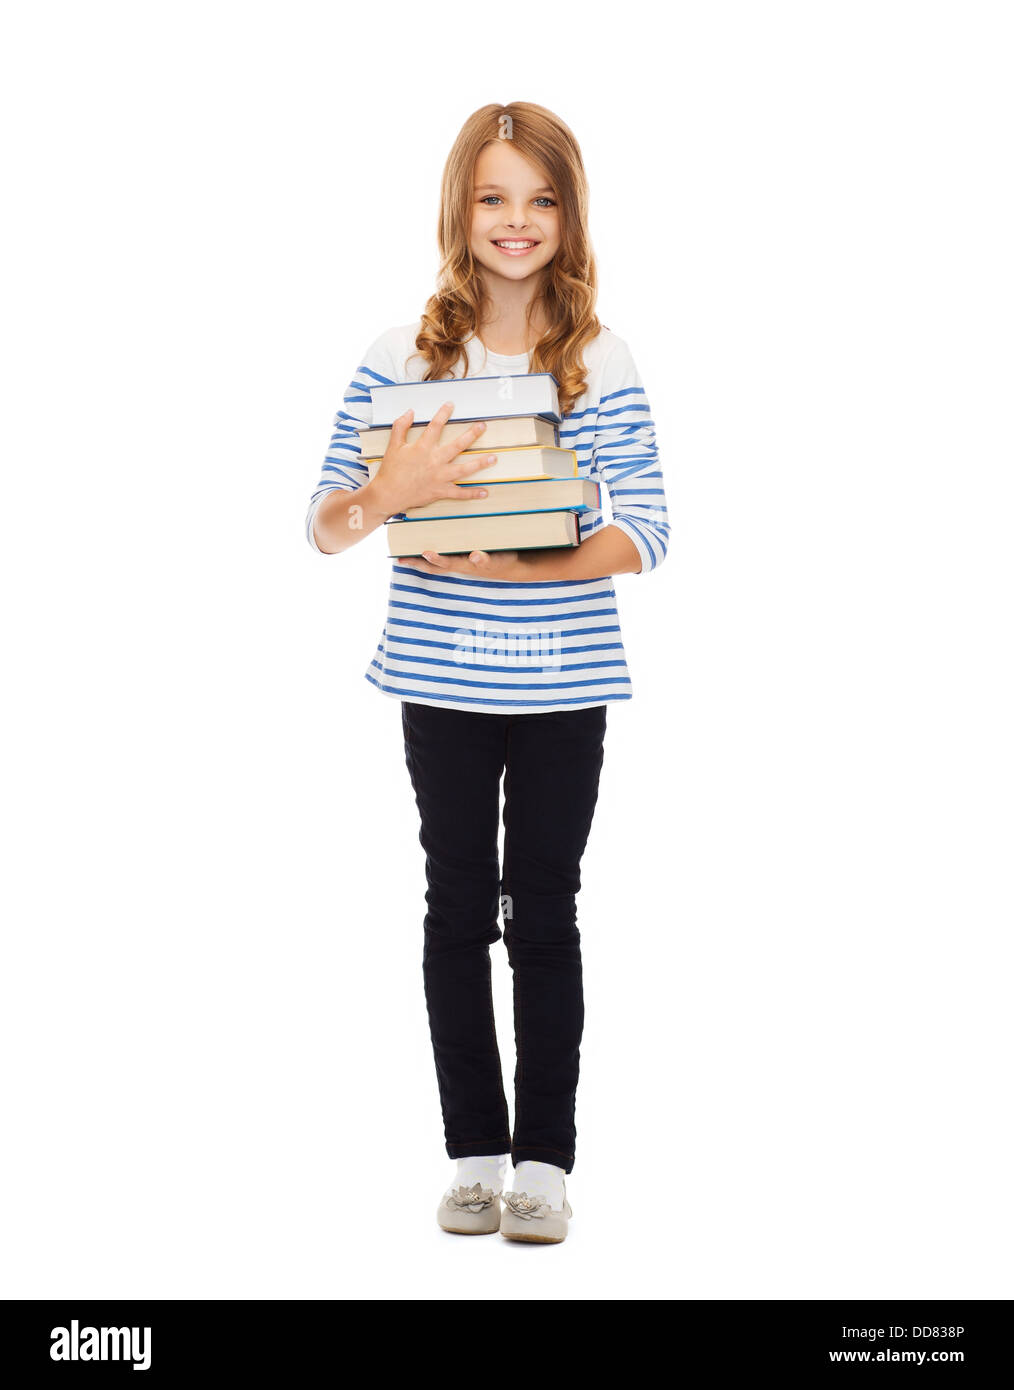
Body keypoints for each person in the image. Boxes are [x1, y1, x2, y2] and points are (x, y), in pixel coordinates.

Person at [305, 102, 670, 1244]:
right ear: (461, 208)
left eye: (543, 198)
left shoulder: (598, 360)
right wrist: (388, 497)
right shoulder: (400, 359)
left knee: (545, 909)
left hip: (563, 685)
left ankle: (545, 1166)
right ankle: (473, 1156)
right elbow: (323, 524)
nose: (518, 221)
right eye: (495, 197)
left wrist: (515, 567)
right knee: (458, 906)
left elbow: (649, 530)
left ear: (570, 213)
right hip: (441, 682)